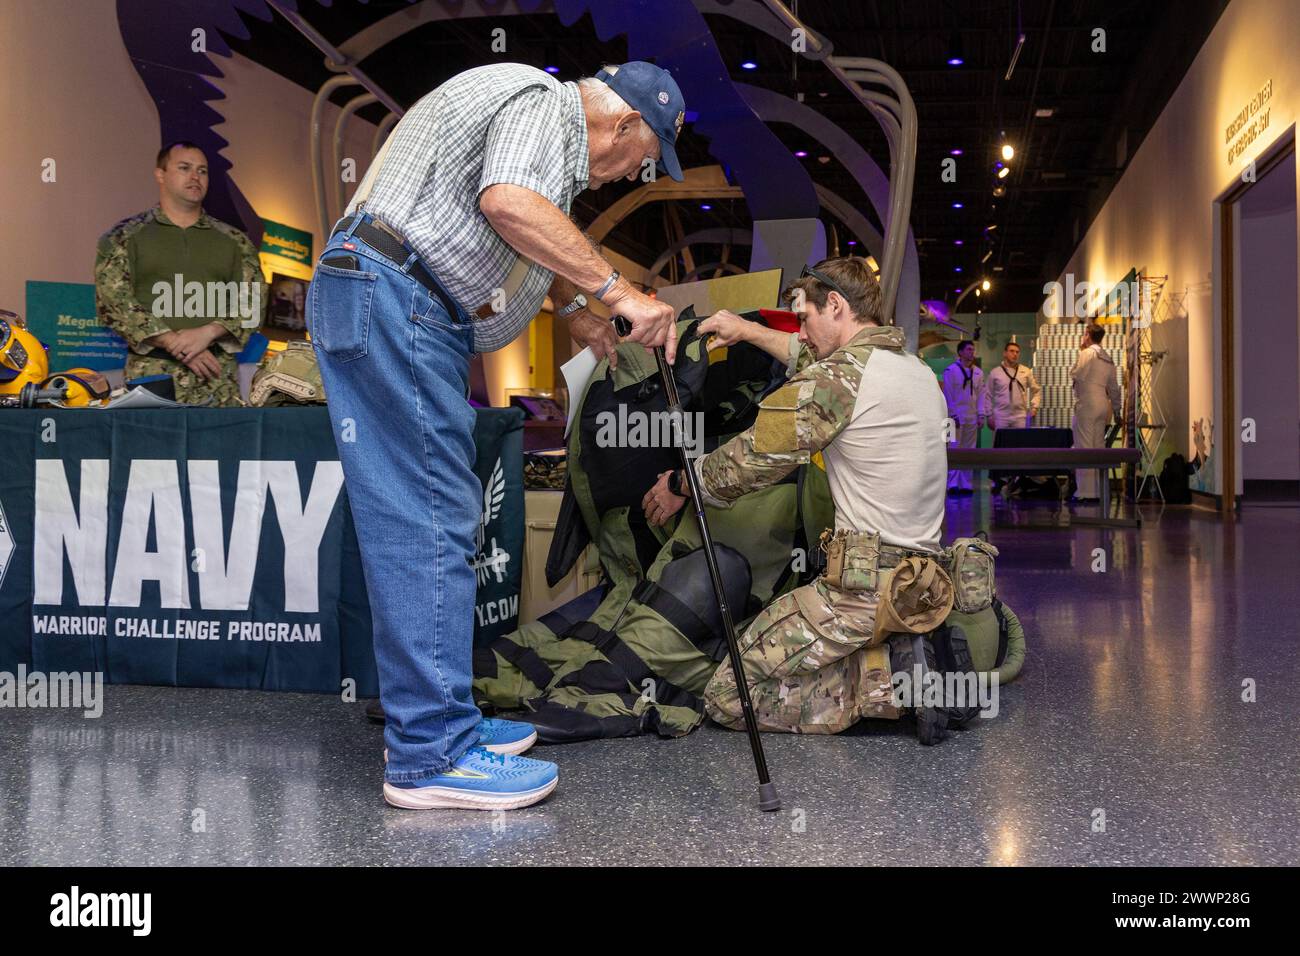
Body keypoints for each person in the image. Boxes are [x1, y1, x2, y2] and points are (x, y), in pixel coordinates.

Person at [308, 62, 681, 810]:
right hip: (395, 298)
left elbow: (500, 227)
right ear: (621, 123)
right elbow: (508, 202)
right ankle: (428, 754)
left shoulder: (537, 121)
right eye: (639, 159)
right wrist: (616, 291)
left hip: (393, 298)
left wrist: (575, 304)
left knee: (439, 515)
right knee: (428, 521)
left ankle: (444, 723)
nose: (625, 177)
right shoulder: (547, 104)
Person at [641, 256, 950, 733]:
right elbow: (811, 357)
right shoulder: (913, 371)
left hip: (861, 594)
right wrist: (745, 331)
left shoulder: (839, 380)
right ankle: (902, 653)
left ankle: (892, 684)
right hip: (920, 583)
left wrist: (682, 483)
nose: (800, 332)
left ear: (836, 305)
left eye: (804, 318)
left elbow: (750, 461)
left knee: (728, 696)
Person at [95, 142, 263, 406]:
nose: (195, 177)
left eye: (203, 171)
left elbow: (252, 302)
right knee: (153, 447)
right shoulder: (125, 236)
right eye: (184, 168)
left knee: (218, 447)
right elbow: (113, 302)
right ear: (160, 174)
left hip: (216, 377)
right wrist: (174, 341)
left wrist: (207, 333)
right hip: (151, 377)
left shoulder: (236, 241)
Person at [979, 340, 1041, 493]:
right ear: (1005, 353)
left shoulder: (1025, 371)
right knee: (1000, 448)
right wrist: (989, 414)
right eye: (1012, 351)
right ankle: (998, 479)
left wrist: (1034, 406)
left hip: (1020, 415)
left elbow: (1037, 390)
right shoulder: (995, 372)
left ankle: (1017, 479)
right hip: (1001, 415)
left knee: (1020, 448)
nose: (1015, 354)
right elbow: (987, 395)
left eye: (1017, 352)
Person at [1071, 322, 1122, 501]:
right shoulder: (1107, 358)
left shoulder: (1087, 353)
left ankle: (1085, 493)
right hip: (1103, 404)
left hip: (1087, 403)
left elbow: (1077, 374)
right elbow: (1114, 388)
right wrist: (1117, 409)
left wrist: (1079, 356)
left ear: (1088, 335)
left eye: (1085, 334)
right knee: (1098, 448)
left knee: (1084, 448)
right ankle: (1099, 491)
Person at [941, 340, 984, 494]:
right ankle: (952, 483)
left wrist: (981, 414)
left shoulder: (978, 373)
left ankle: (966, 483)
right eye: (968, 350)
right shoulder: (950, 371)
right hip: (953, 417)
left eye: (973, 350)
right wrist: (953, 414)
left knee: (969, 449)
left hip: (971, 415)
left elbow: (980, 396)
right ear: (960, 352)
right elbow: (948, 395)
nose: (971, 353)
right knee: (953, 448)